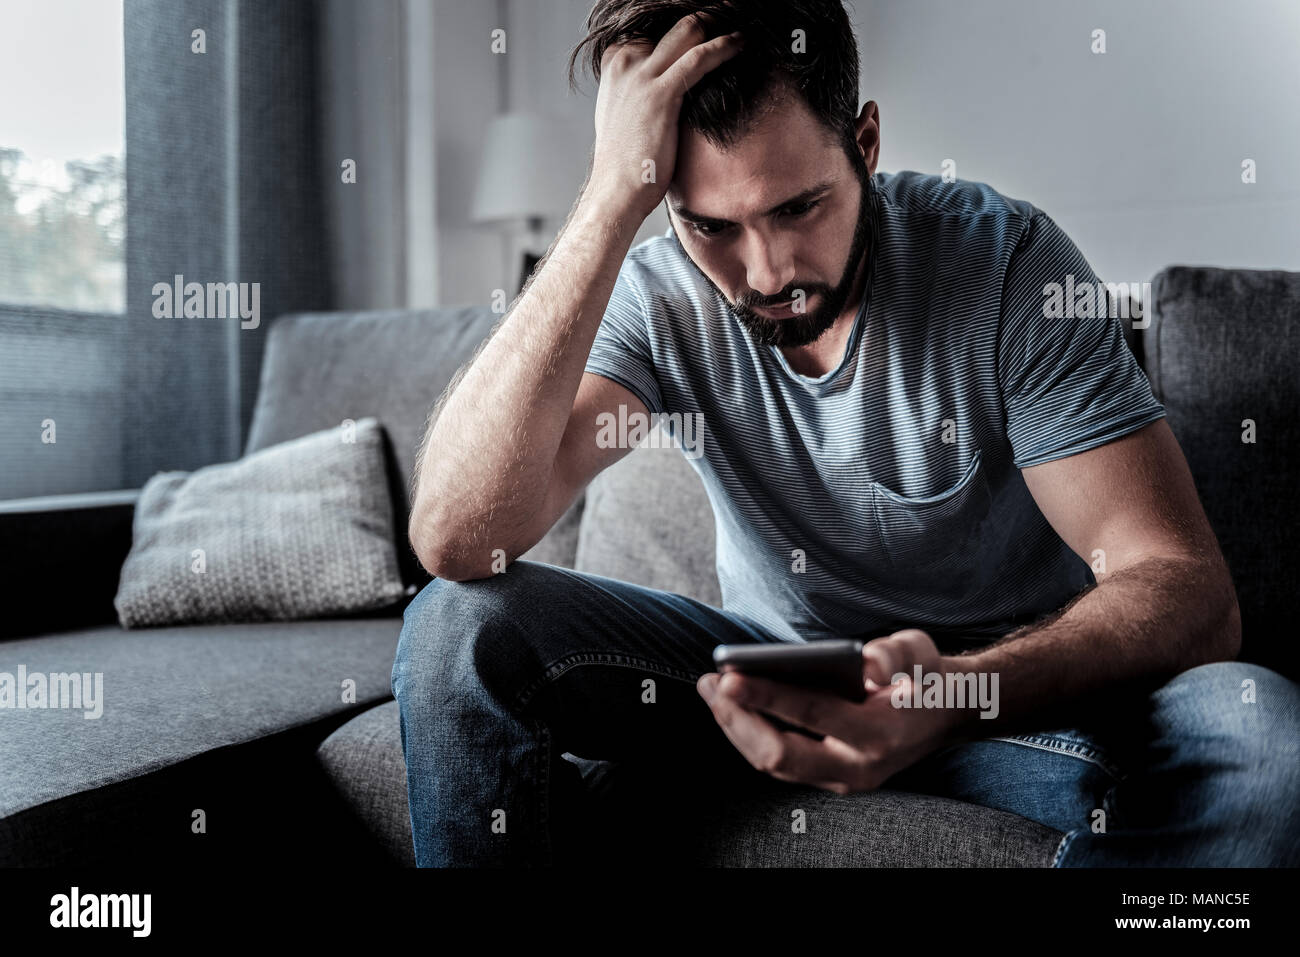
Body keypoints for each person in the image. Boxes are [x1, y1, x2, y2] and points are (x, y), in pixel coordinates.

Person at [391, 0, 1299, 867]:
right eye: (710, 224)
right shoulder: (661, 295)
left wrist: (945, 693)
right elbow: (458, 537)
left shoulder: (1006, 265)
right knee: (460, 625)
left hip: (1006, 701)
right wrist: (605, 202)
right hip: (764, 692)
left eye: (798, 207)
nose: (767, 270)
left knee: (1260, 739)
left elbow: (1184, 587)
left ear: (865, 143)